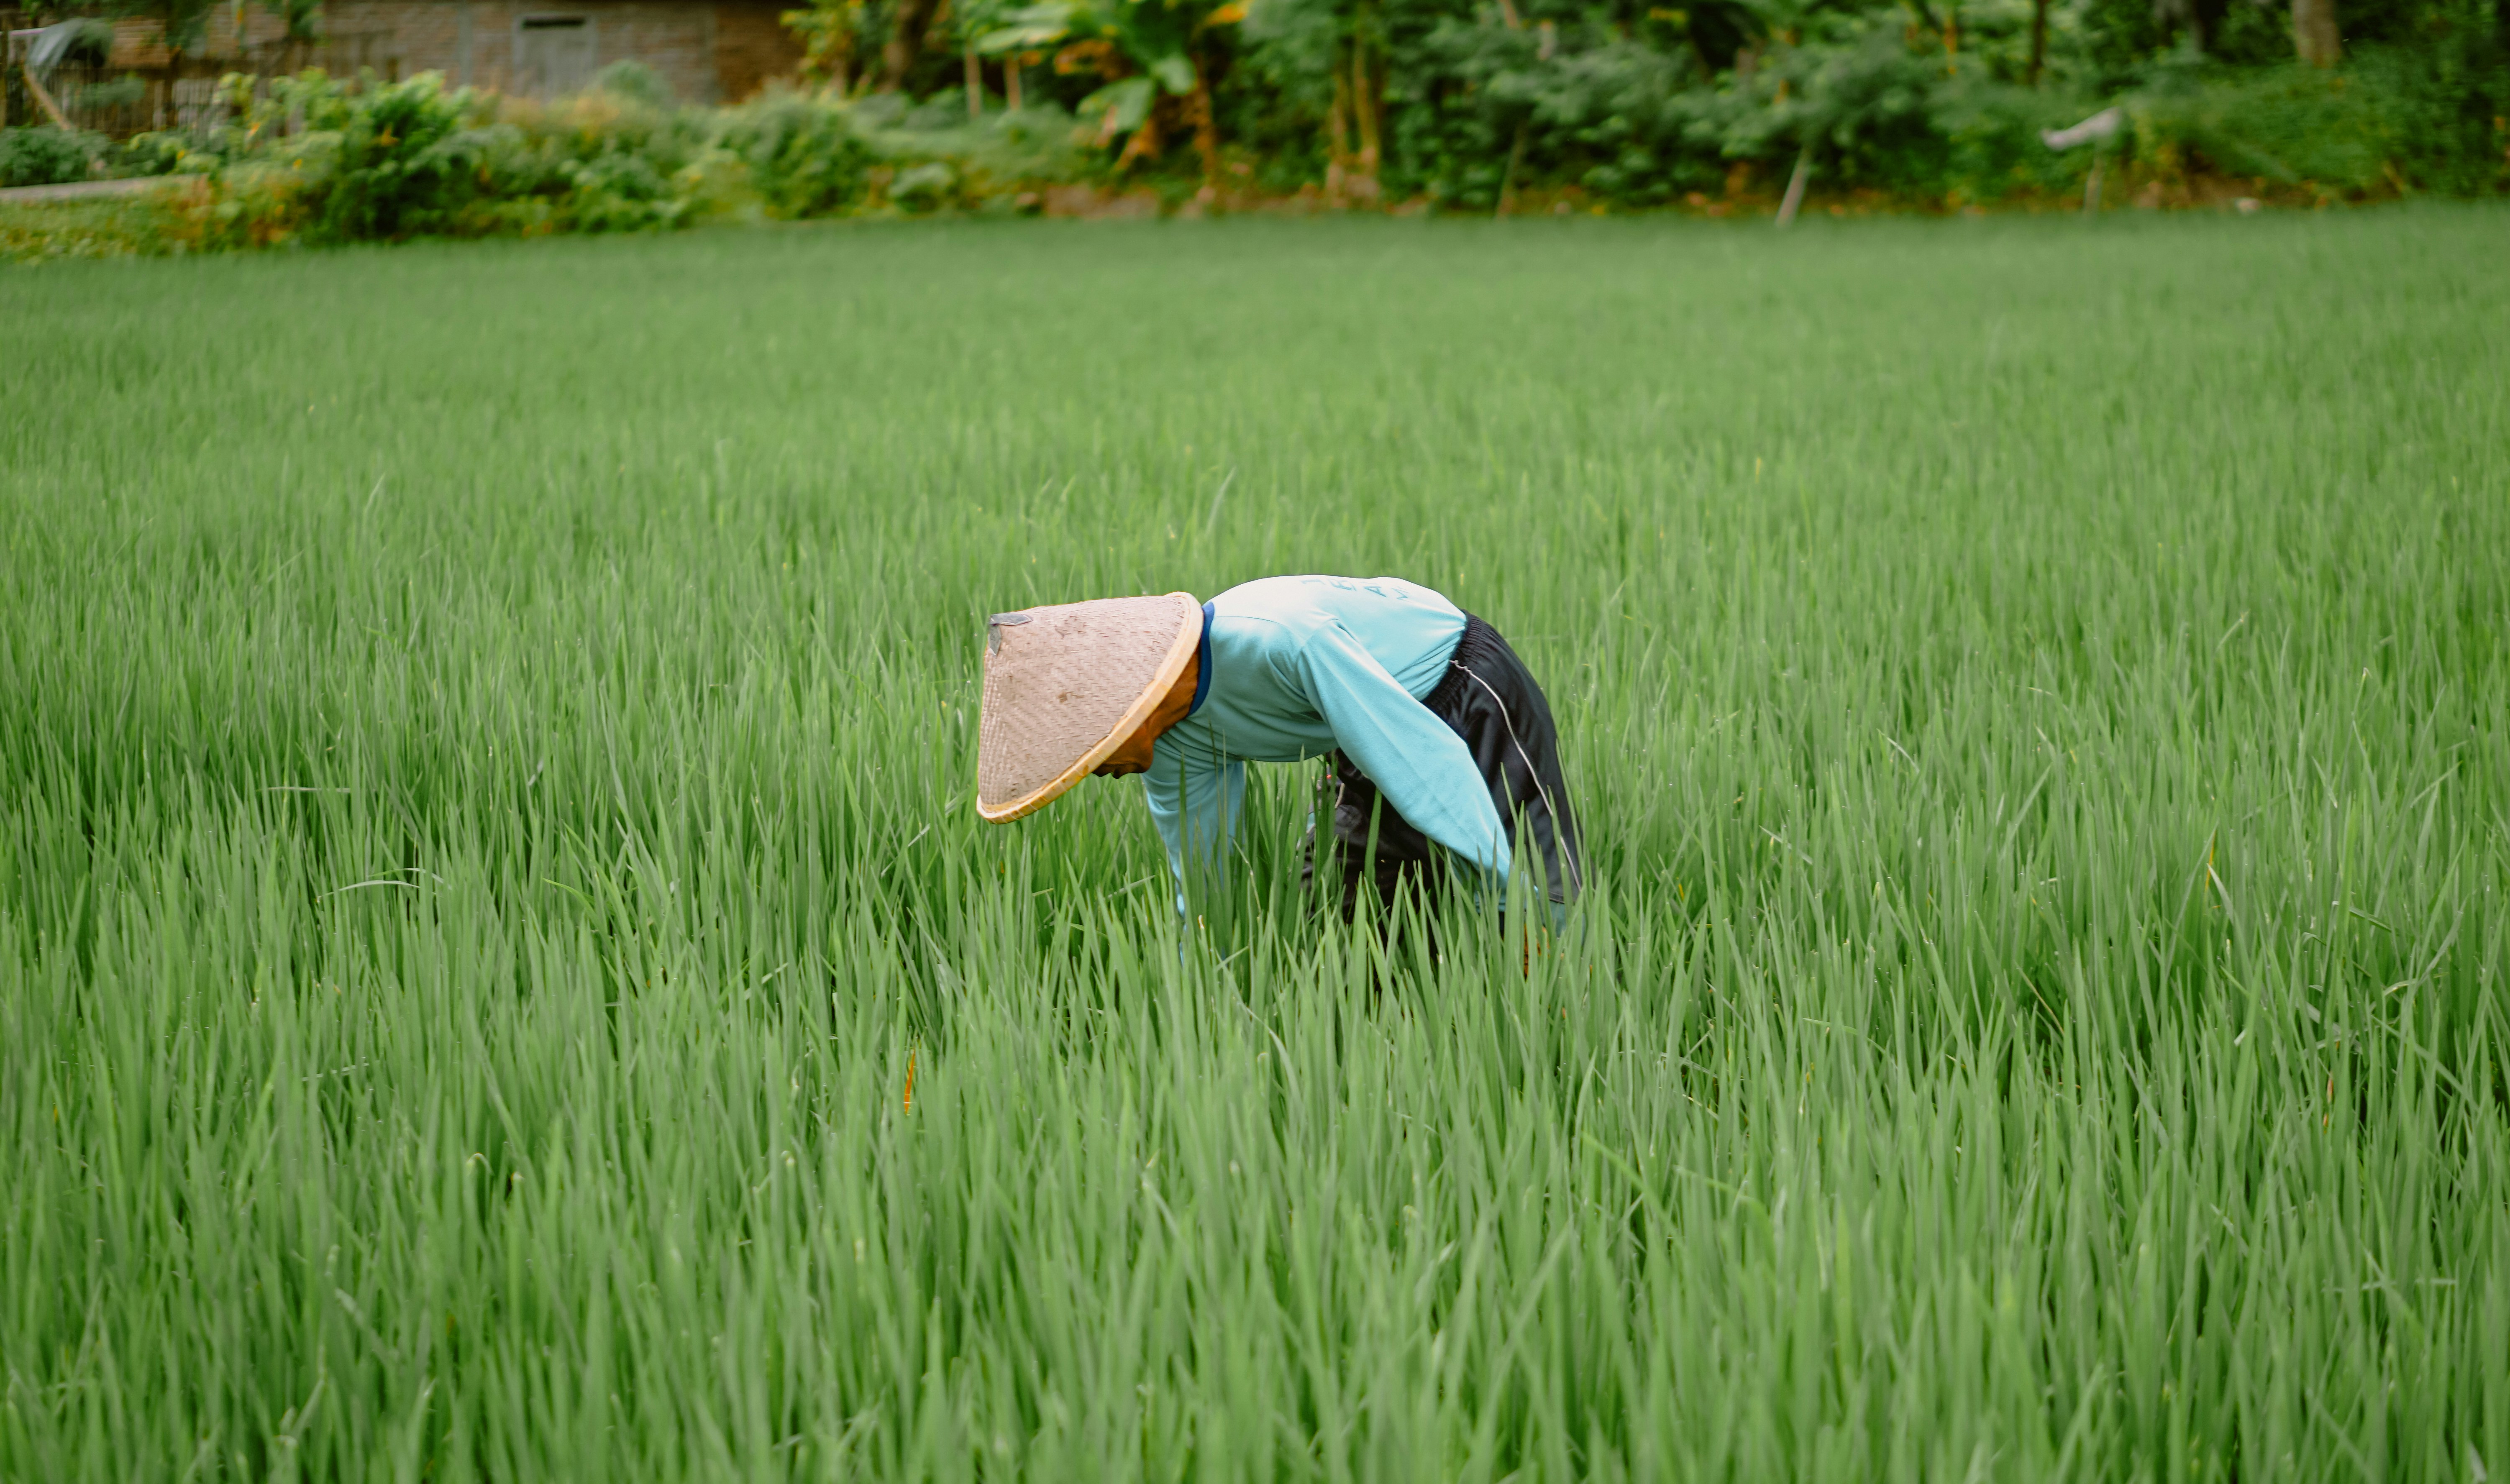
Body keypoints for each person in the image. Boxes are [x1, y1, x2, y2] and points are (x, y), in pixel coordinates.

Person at [975, 576, 1580, 931]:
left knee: (1535, 912)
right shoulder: (1173, 740)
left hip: (1461, 693)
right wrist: (1202, 993)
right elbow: (1204, 876)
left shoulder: (1281, 641)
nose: (1094, 771)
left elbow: (1427, 762)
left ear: (1125, 707)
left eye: (1088, 750)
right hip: (1363, 734)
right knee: (1344, 923)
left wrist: (1507, 892)